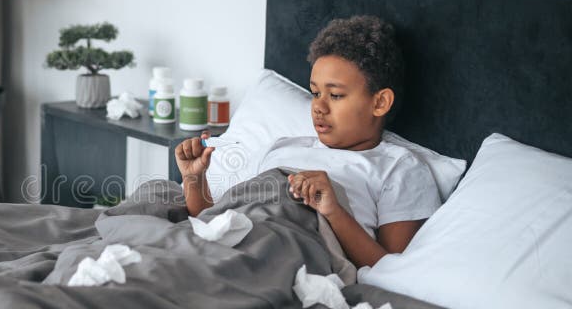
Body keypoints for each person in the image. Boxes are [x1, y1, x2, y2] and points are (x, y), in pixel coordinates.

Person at [174, 16, 441, 268]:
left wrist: (334, 211)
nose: (318, 107)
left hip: (281, 255)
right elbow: (216, 224)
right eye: (315, 93)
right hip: (227, 245)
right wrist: (194, 180)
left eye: (335, 95)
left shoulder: (400, 168)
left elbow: (389, 269)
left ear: (380, 102)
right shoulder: (283, 147)